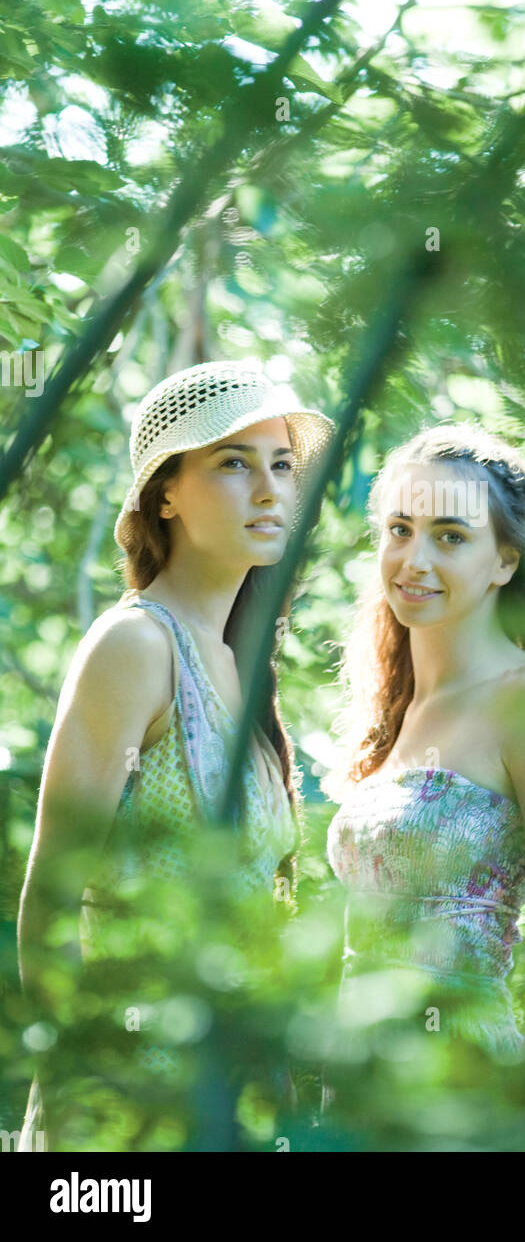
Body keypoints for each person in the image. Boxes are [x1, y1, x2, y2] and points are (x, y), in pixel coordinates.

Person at [16, 359, 334, 1149]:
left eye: (282, 465)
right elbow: (49, 901)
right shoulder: (135, 644)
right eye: (234, 463)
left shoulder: (235, 663)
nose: (269, 490)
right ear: (165, 492)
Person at [324, 424, 525, 1085]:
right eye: (399, 529)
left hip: (461, 1078)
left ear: (504, 561)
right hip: (350, 1078)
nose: (414, 558)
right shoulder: (394, 708)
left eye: (450, 536)